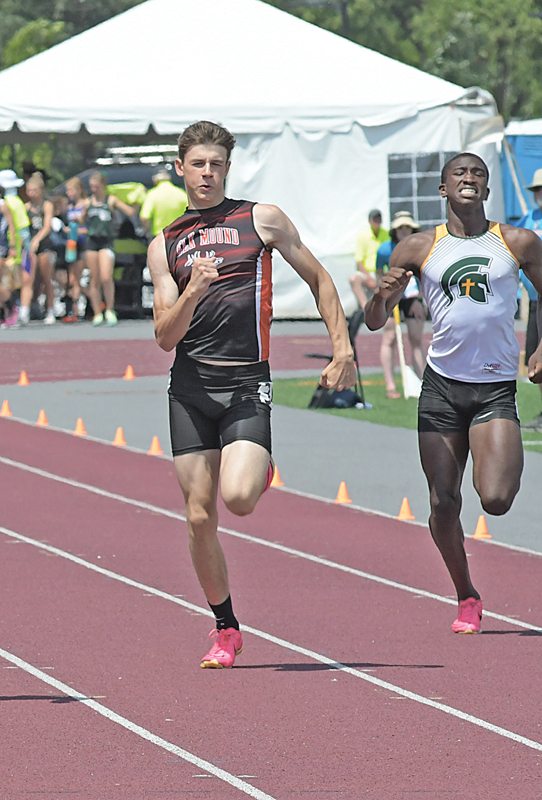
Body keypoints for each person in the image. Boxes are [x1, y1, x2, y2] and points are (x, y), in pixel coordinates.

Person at [148, 120, 356, 668]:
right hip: (190, 386)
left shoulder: (259, 219)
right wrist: (192, 289)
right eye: (198, 164)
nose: (207, 173)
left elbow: (319, 279)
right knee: (198, 517)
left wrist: (342, 349)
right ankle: (225, 627)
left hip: (245, 382)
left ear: (228, 169)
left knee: (237, 499)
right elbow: (165, 337)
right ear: (181, 168)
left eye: (216, 164)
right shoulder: (164, 243)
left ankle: (259, 465)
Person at [365, 152, 542, 634]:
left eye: (478, 174)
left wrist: (541, 345)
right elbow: (376, 318)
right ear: (443, 190)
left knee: (497, 498)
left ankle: (468, 586)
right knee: (444, 501)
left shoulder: (518, 241)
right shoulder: (419, 247)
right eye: (459, 173)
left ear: (487, 190)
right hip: (441, 388)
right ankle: (466, 594)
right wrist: (382, 295)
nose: (469, 178)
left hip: (493, 391)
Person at [375, 211, 426, 398]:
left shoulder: (419, 249)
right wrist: (385, 296)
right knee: (389, 338)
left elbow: (423, 276)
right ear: (395, 230)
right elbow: (379, 272)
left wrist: (420, 300)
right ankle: (390, 385)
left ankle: (423, 383)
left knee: (416, 339)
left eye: (407, 227)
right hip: (391, 297)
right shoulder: (385, 250)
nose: (404, 231)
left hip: (412, 297)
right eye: (400, 228)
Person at [81, 171, 136, 326]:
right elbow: (82, 220)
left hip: (106, 242)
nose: (93, 190)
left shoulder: (110, 200)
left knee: (106, 276)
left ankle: (110, 309)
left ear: (103, 186)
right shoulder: (88, 202)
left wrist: (137, 202)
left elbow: (130, 212)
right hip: (92, 242)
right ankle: (97, 311)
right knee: (94, 278)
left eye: (96, 187)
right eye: (91, 187)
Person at [516, 168, 542, 430]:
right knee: (537, 361)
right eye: (537, 190)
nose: (540, 194)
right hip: (536, 300)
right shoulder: (527, 221)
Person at [23, 173, 56, 325]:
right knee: (30, 279)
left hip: (44, 246)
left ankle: (50, 310)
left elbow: (47, 227)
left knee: (46, 278)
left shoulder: (46, 205)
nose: (31, 194)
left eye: (34, 190)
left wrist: (37, 239)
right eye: (29, 190)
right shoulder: (26, 207)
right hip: (30, 247)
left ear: (40, 190)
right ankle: (27, 309)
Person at [349, 209, 389, 310]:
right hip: (368, 273)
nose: (377, 220)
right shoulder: (363, 236)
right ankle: (365, 307)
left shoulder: (387, 235)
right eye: (374, 218)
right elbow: (359, 261)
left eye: (379, 218)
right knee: (354, 279)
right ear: (370, 220)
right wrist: (369, 278)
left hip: (382, 272)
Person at [139, 168, 188, 238]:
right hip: (180, 235)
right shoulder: (182, 194)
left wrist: (147, 231)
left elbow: (144, 218)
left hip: (160, 236)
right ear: (169, 179)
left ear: (154, 181)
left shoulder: (152, 194)